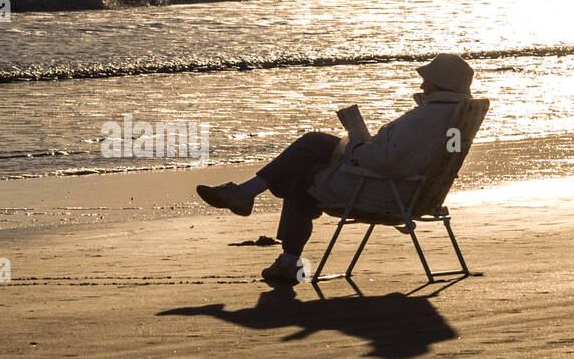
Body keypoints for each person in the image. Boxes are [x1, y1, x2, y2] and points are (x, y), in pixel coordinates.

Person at [196, 54, 475, 284]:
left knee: (302, 169)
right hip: (416, 191)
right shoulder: (456, 115)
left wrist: (357, 145)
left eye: (427, 79)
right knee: (312, 148)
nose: (422, 83)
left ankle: (270, 231)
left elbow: (383, 161)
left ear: (438, 84)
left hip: (384, 191)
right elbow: (431, 157)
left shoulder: (427, 117)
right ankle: (253, 206)